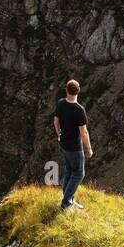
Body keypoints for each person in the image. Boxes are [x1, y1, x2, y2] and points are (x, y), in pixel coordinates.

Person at [53, 78, 92, 211]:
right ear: (78, 91)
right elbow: (84, 132)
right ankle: (66, 203)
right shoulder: (79, 110)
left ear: (66, 90)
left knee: (69, 170)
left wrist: (59, 135)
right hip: (74, 147)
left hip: (63, 144)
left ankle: (69, 197)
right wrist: (89, 149)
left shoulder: (61, 103)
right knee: (79, 174)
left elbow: (55, 121)